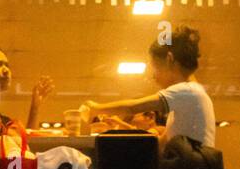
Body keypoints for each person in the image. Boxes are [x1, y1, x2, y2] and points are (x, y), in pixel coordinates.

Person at [82, 26, 215, 148]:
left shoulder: (187, 91)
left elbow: (132, 107)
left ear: (169, 59)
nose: (154, 77)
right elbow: (160, 145)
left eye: (155, 68)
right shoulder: (191, 95)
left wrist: (97, 108)